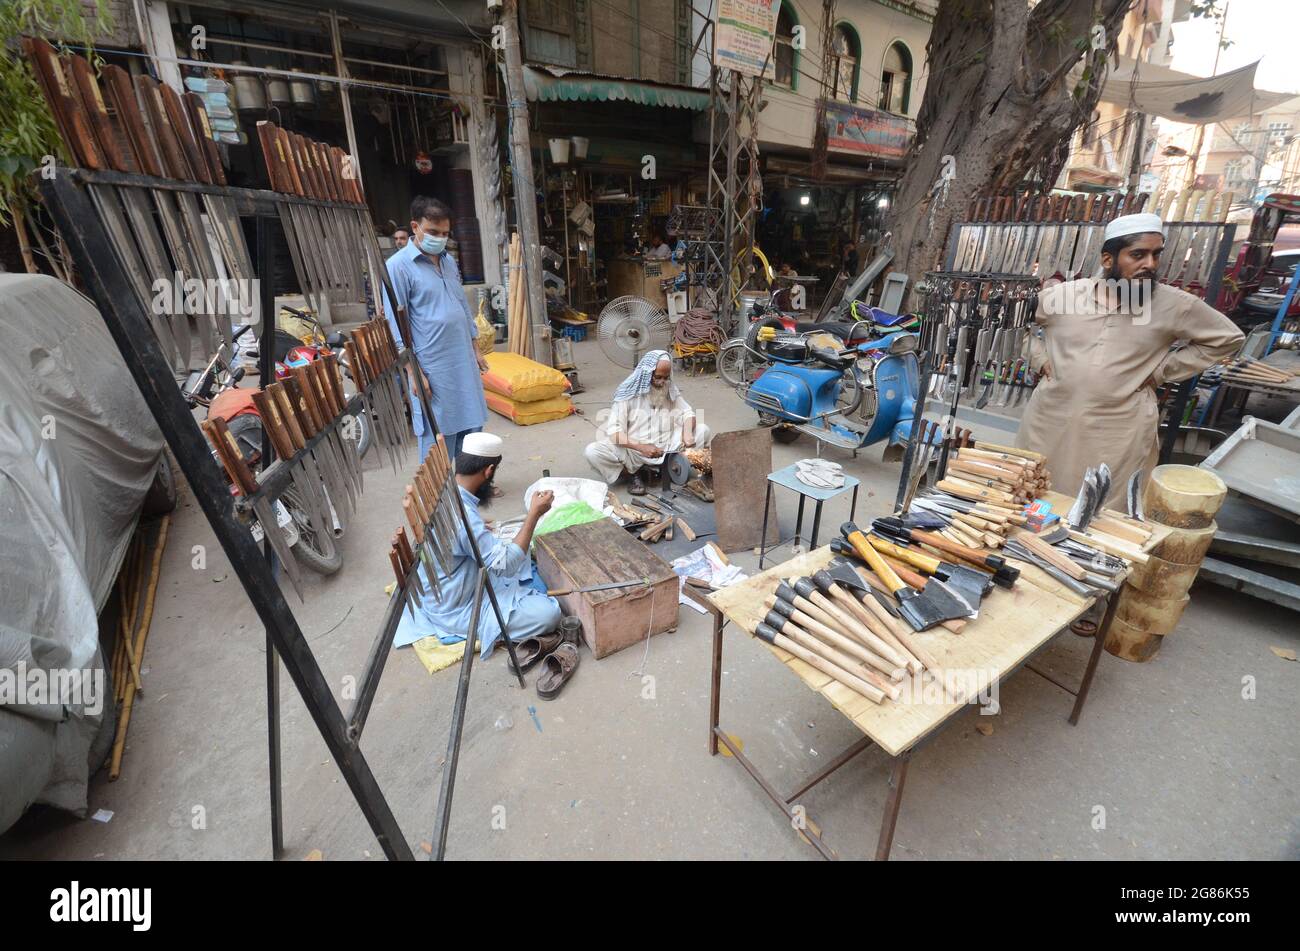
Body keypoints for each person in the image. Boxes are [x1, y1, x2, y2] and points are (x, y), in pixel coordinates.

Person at [1017, 212, 1244, 495]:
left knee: (1102, 506)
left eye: (1155, 255)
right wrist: (1039, 359)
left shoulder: (1174, 304)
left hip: (1119, 429)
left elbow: (1227, 338)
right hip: (1050, 418)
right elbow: (1011, 325)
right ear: (1108, 259)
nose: (1149, 264)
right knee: (1033, 492)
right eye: (1137, 255)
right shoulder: (1063, 296)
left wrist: (1162, 371)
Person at [393, 433, 563, 659]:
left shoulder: (445, 490)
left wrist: (473, 531)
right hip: (457, 608)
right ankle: (497, 631)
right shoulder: (464, 518)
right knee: (548, 614)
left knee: (518, 553)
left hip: (444, 590)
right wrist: (534, 514)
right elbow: (506, 565)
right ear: (489, 471)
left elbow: (458, 533)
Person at [385, 196, 488, 462]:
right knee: (438, 437)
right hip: (433, 365)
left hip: (463, 360)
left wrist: (475, 347)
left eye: (444, 233)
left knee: (472, 430)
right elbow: (395, 324)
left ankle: (467, 490)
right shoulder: (398, 267)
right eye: (433, 232)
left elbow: (462, 305)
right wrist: (414, 372)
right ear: (415, 227)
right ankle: (437, 501)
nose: (440, 238)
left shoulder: (448, 261)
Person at [584, 350, 712, 496]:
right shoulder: (628, 394)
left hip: (667, 447)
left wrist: (687, 433)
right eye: (658, 377)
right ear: (647, 374)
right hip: (635, 451)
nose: (662, 382)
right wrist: (642, 447)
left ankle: (672, 467)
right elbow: (614, 432)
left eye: (666, 377)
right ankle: (633, 474)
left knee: (703, 430)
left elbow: (688, 413)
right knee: (592, 451)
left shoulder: (668, 388)